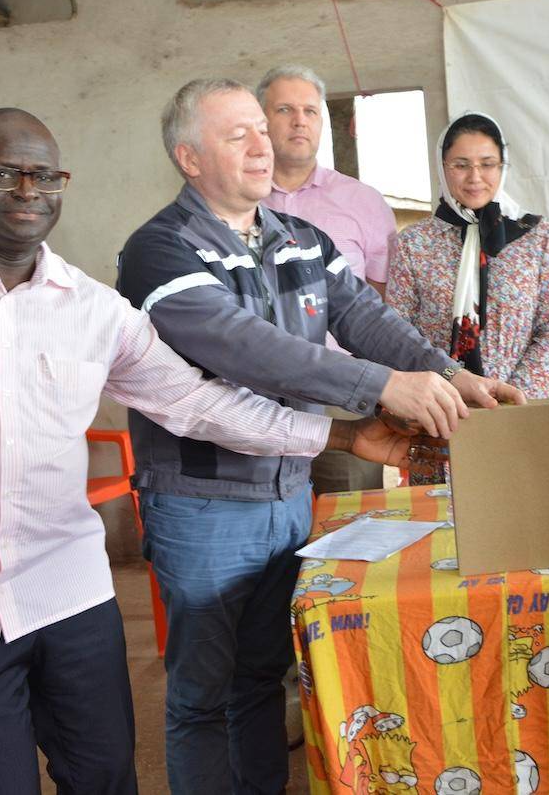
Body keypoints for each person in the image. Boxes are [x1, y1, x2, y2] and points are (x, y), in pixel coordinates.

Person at [0, 108, 416, 795]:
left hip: (69, 591)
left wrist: (344, 433)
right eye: (4, 172)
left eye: (45, 175)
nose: (28, 190)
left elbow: (197, 403)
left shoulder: (91, 307)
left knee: (106, 775)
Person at [116, 80, 521, 795]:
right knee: (203, 693)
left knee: (263, 679)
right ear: (188, 157)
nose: (262, 143)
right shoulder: (159, 249)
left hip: (289, 489)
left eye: (260, 130)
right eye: (237, 133)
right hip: (205, 502)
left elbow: (366, 317)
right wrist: (380, 388)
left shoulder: (299, 238)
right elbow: (244, 347)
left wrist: (453, 376)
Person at [258, 63, 398, 493]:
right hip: (254, 394)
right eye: (284, 109)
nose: (299, 120)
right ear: (259, 122)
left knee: (351, 521)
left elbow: (378, 303)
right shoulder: (234, 199)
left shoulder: (363, 202)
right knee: (269, 523)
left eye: (310, 110)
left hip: (342, 392)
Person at [387, 111, 549, 402]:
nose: (475, 177)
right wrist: (442, 390)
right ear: (442, 167)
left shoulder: (536, 236)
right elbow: (398, 333)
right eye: (461, 165)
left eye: (487, 165)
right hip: (438, 406)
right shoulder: (414, 243)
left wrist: (514, 396)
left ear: (502, 168)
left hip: (521, 407)